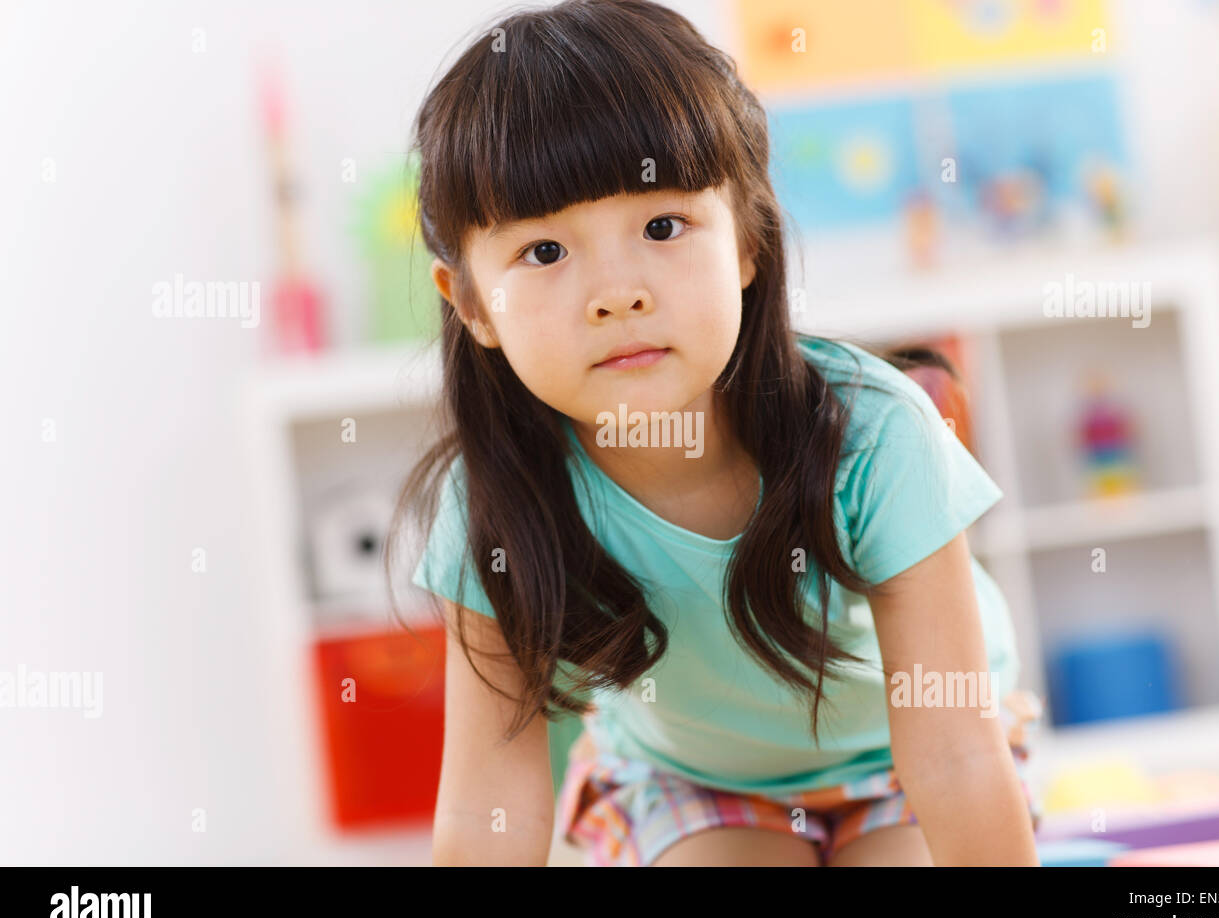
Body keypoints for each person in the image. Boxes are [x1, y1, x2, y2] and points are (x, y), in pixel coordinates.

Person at [390, 0, 1043, 866]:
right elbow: (486, 806)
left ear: (745, 243)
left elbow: (955, 756)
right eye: (545, 253)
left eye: (663, 227)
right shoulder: (491, 503)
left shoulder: (876, 435)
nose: (616, 293)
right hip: (689, 783)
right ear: (471, 302)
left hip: (906, 758)